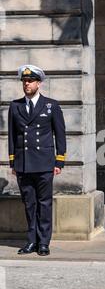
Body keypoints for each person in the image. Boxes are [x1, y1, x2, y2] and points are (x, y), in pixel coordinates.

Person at [8, 64, 66, 256]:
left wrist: (59, 161)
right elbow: (11, 135)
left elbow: (60, 134)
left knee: (44, 204)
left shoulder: (51, 105)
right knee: (29, 204)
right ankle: (31, 241)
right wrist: (12, 162)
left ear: (39, 83)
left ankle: (44, 242)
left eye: (30, 81)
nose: (27, 84)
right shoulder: (15, 106)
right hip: (23, 163)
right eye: (24, 81)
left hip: (44, 163)